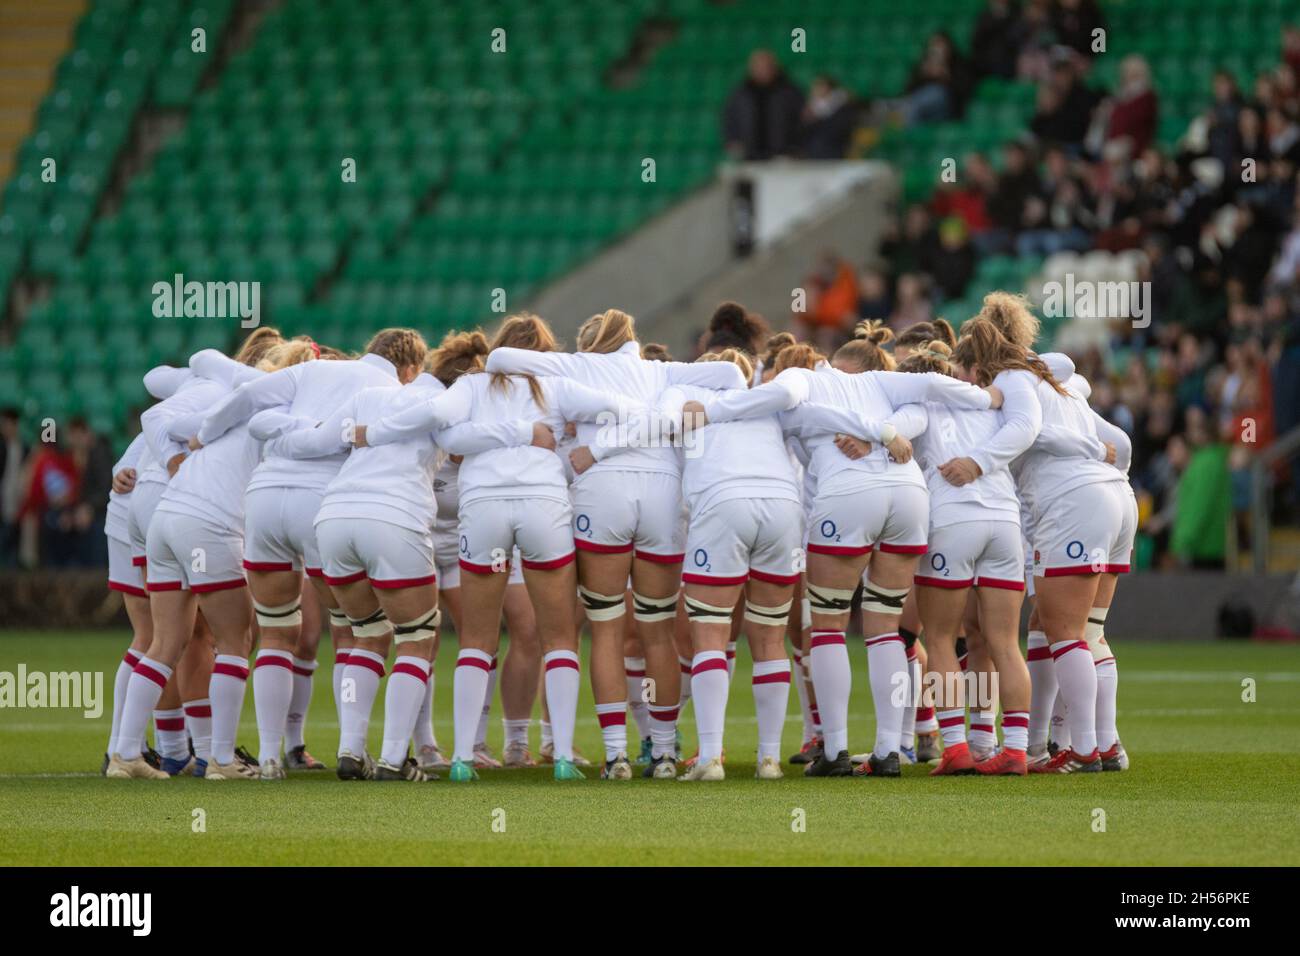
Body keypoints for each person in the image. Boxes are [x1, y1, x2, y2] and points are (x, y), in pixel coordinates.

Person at [687, 320, 1003, 777]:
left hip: (850, 495)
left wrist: (715, 411)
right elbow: (933, 388)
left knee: (830, 627)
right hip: (910, 495)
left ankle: (834, 750)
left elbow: (784, 399)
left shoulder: (805, 379)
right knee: (888, 630)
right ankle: (889, 750)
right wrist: (983, 398)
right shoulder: (881, 382)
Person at [353, 313, 645, 782]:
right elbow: (627, 410)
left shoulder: (471, 384)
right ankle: (564, 756)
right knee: (559, 638)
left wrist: (374, 431)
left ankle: (465, 758)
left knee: (476, 639)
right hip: (543, 507)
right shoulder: (558, 385)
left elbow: (445, 431)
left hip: (483, 508)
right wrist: (568, 443)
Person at [486, 307, 745, 779]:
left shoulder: (576, 366)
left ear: (589, 343)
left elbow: (498, 358)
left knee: (606, 628)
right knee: (658, 630)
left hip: (601, 490)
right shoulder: (660, 370)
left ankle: (617, 756)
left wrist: (590, 399)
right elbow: (731, 372)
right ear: (632, 339)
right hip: (662, 493)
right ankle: (664, 753)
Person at [191, 329, 428, 776]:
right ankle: (350, 748)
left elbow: (245, 399)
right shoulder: (395, 393)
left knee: (277, 633)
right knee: (359, 630)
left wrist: (204, 434)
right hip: (323, 502)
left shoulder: (313, 369)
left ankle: (267, 757)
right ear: (410, 369)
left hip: (263, 500)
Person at [722, 49, 806, 160]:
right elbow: (730, 119)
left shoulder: (790, 93)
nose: (763, 71)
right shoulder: (740, 95)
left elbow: (802, 121)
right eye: (759, 67)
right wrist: (733, 140)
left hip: (783, 157)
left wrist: (795, 147)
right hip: (749, 156)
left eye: (766, 67)